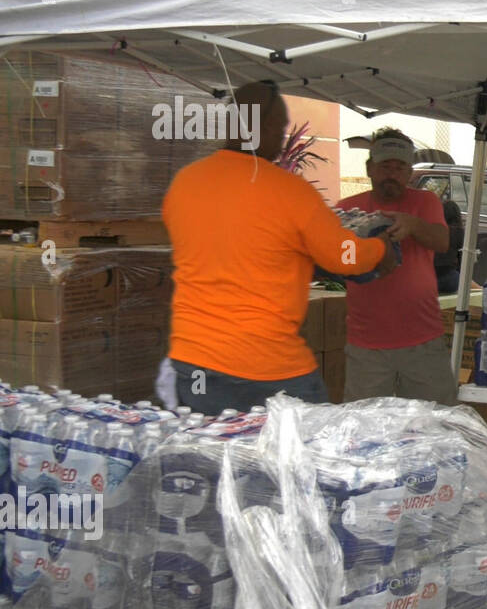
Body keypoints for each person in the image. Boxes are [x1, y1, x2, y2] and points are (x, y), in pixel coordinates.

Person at [163, 82, 393, 414]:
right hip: (268, 368)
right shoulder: (290, 192)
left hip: (194, 362)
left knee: (213, 456)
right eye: (281, 129)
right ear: (266, 128)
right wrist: (380, 249)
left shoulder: (184, 183)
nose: (283, 138)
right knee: (306, 456)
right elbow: (343, 257)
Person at [336, 129, 456, 404]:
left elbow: (442, 241)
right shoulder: (347, 208)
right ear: (370, 168)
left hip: (422, 342)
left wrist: (412, 225)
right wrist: (370, 246)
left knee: (435, 427)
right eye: (385, 166)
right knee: (363, 430)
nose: (392, 173)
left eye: (399, 167)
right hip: (366, 346)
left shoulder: (425, 202)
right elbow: (341, 264)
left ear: (410, 171)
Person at [436, 200, 465, 295]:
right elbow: (462, 260)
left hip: (430, 278)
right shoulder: (459, 232)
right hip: (450, 279)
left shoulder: (434, 230)